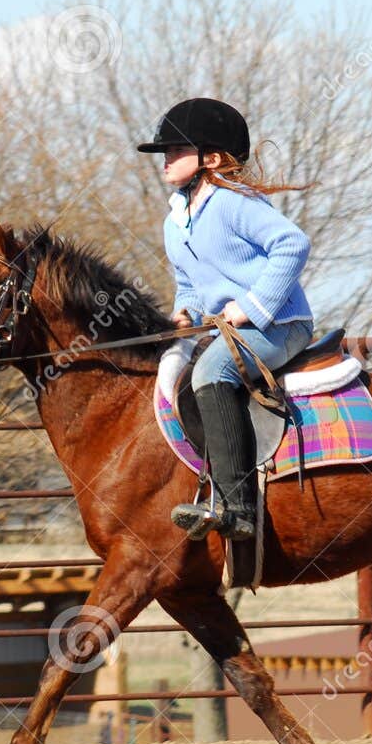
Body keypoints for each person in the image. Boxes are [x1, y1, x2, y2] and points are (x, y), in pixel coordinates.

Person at [136, 97, 315, 541]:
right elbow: (193, 285)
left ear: (211, 158)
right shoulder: (174, 222)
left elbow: (293, 245)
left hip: (280, 324)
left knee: (211, 374)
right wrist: (186, 312)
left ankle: (237, 508)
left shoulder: (235, 202)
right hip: (232, 331)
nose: (166, 159)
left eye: (176, 150)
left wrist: (253, 306)